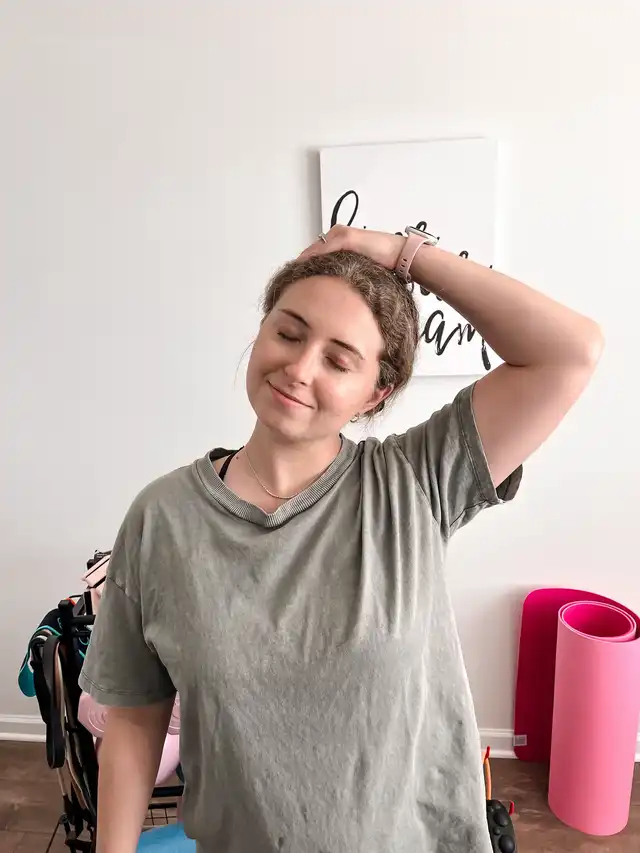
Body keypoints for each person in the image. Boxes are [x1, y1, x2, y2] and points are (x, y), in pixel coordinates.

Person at [79, 224, 603, 853]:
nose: (299, 369)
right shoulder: (161, 518)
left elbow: (569, 351)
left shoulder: (415, 482)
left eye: (338, 359)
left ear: (376, 393)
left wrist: (404, 254)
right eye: (288, 333)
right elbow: (135, 722)